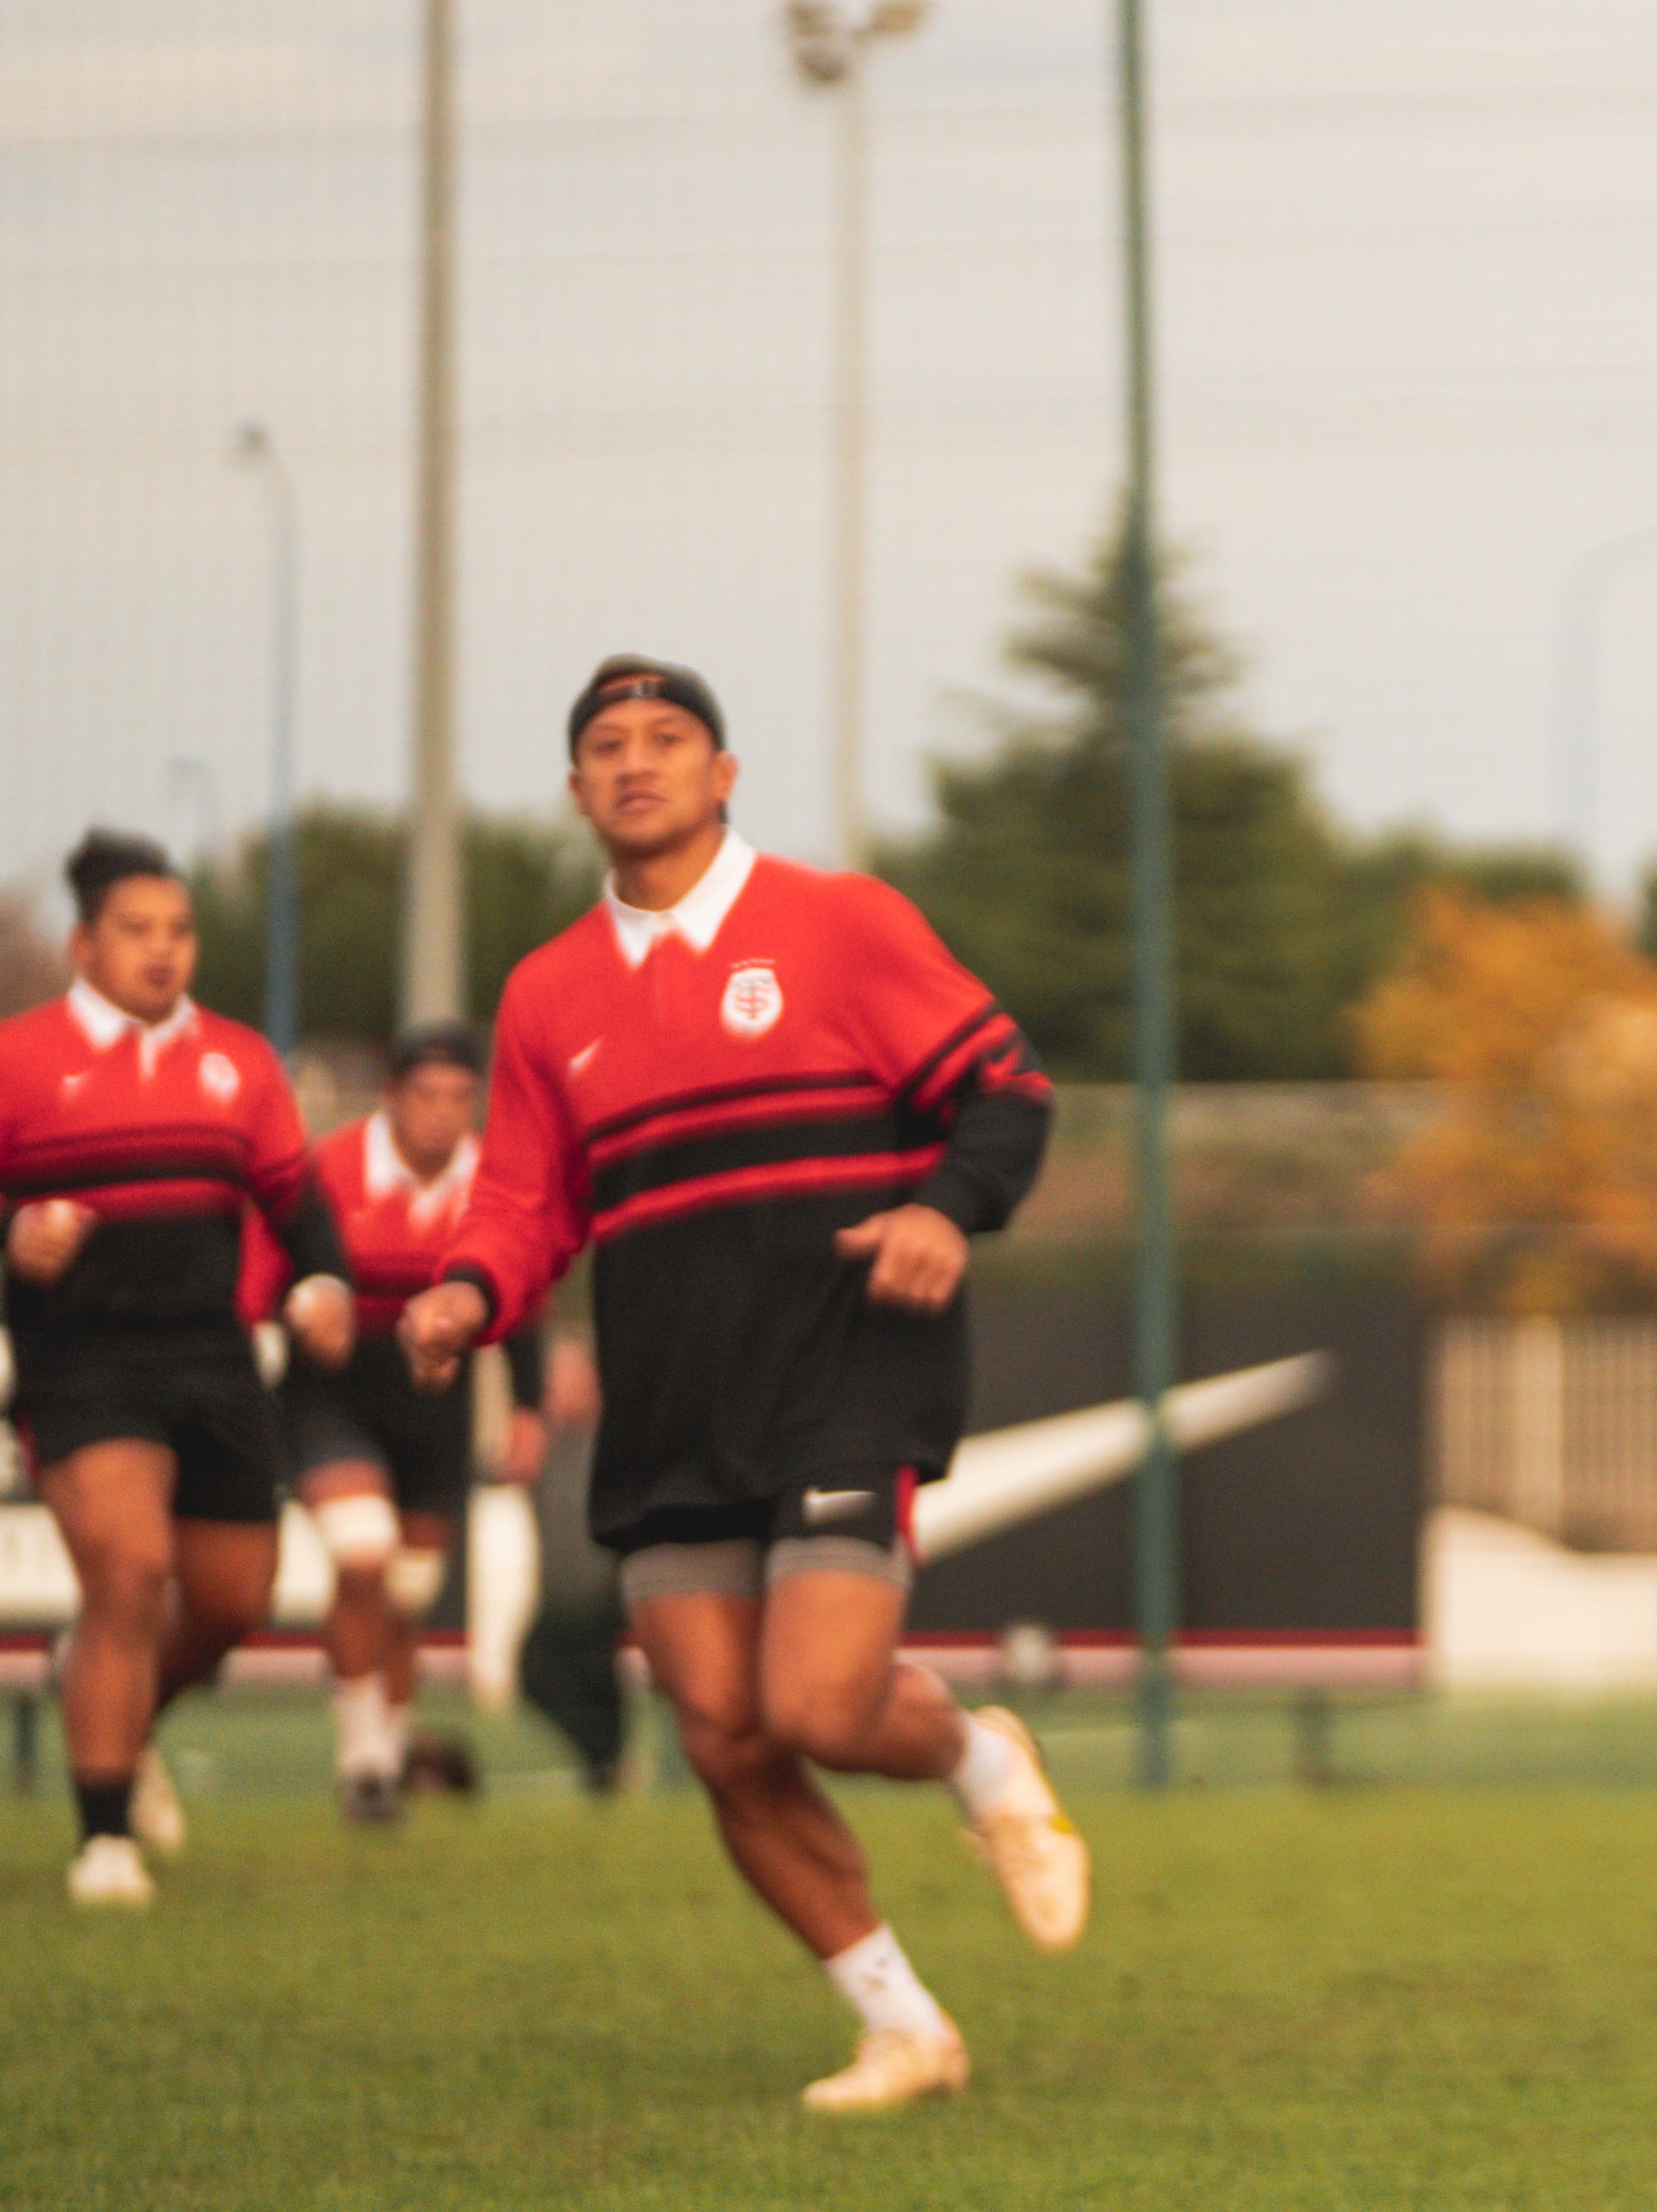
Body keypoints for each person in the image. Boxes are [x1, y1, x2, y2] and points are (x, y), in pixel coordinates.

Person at [401, 658, 1083, 2107]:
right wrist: (468, 1288)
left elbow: (1008, 1089)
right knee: (721, 1728)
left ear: (724, 774)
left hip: (846, 1367)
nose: (636, 760)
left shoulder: (841, 923)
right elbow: (526, 1197)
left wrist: (943, 1211)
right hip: (675, 1398)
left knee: (823, 1700)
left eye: (667, 737)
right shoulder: (546, 994)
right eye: (605, 743)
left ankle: (983, 1767)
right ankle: (904, 2023)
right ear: (576, 790)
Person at [3, 830, 358, 1906]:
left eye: (181, 930)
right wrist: (11, 1234)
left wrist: (328, 1286)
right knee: (128, 1574)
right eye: (137, 931)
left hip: (212, 1352)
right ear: (82, 946)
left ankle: (120, 1719)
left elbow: (300, 1207)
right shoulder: (20, 1059)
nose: (163, 951)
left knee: (232, 1597)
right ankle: (104, 1838)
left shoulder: (241, 1063)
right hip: (81, 1360)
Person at [279, 1021, 548, 1822]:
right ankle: (361, 1764)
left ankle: (387, 1757)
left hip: (437, 1403)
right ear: (392, 1098)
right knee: (361, 1557)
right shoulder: (331, 1168)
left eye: (460, 1098)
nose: (441, 1115)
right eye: (425, 1096)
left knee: (405, 1593)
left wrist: (528, 1407)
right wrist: (302, 1305)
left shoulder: (490, 1181)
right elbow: (273, 1261)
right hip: (335, 1388)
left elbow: (521, 1297)